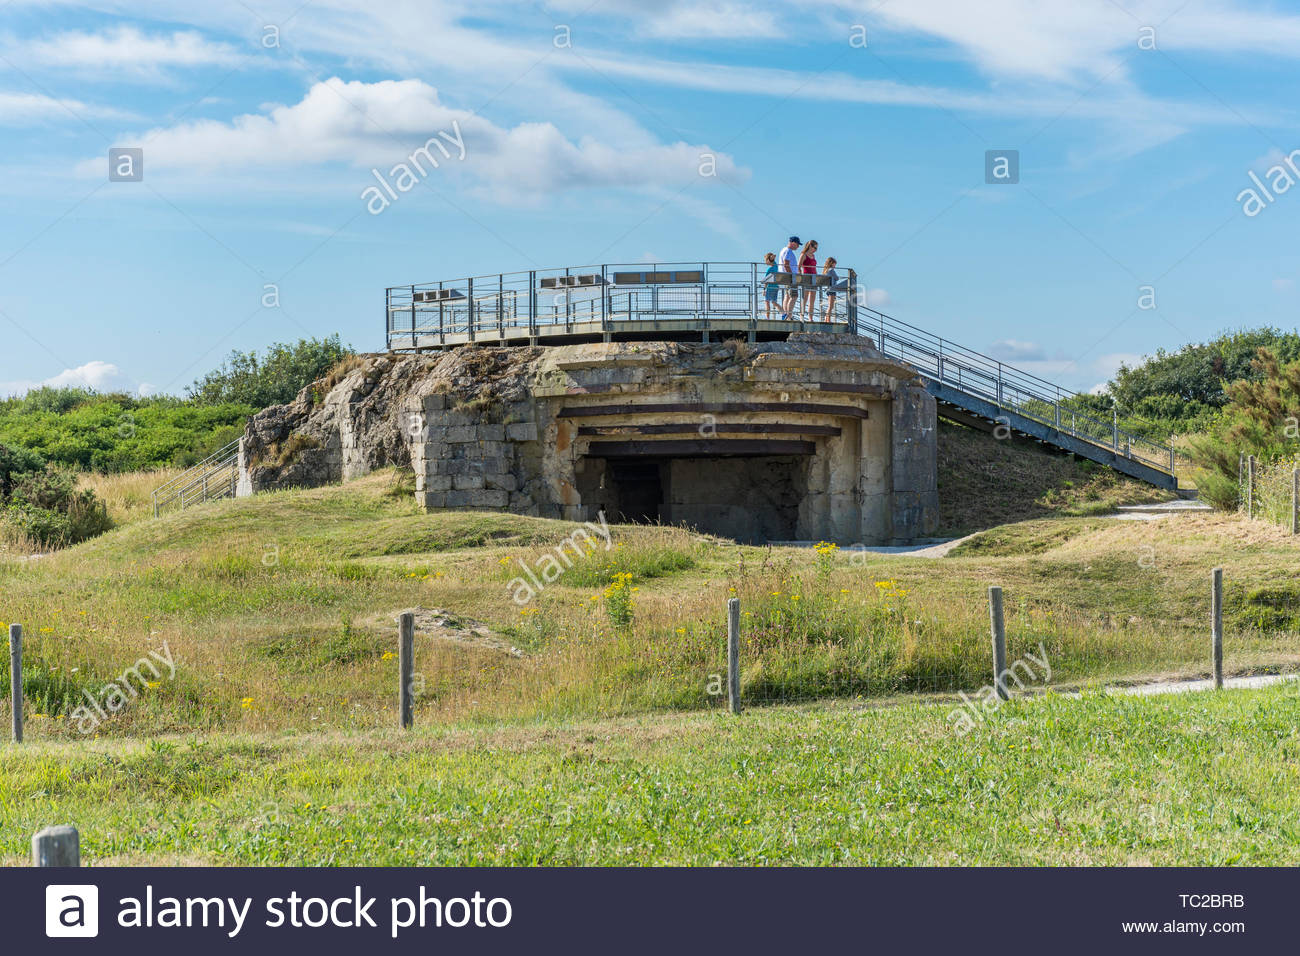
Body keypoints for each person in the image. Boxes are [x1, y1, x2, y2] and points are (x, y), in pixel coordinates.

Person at [778, 236, 799, 319]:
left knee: (787, 296)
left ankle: (785, 315)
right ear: (793, 243)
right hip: (789, 277)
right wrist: (791, 275)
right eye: (797, 244)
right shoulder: (788, 251)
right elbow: (786, 264)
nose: (798, 246)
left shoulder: (784, 250)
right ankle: (789, 315)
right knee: (794, 296)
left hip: (785, 277)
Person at [797, 239, 818, 321]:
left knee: (812, 300)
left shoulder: (814, 256)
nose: (815, 250)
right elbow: (798, 267)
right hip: (806, 278)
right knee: (805, 298)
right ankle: (802, 316)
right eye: (815, 248)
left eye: (816, 248)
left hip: (814, 278)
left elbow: (814, 267)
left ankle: (810, 318)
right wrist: (801, 277)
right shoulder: (803, 254)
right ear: (810, 246)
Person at [822, 256, 842, 322]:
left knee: (830, 305)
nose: (835, 266)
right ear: (831, 263)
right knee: (831, 306)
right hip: (832, 289)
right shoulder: (831, 270)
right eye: (834, 264)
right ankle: (827, 319)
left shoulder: (826, 270)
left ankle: (827, 319)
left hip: (828, 289)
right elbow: (837, 278)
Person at [761, 252, 780, 319]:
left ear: (769, 260)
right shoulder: (776, 266)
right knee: (774, 302)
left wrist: (764, 290)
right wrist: (771, 257)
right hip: (776, 287)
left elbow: (766, 281)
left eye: (766, 260)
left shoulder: (769, 269)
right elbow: (774, 256)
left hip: (770, 287)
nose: (765, 262)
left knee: (767, 302)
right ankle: (783, 313)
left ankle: (767, 317)